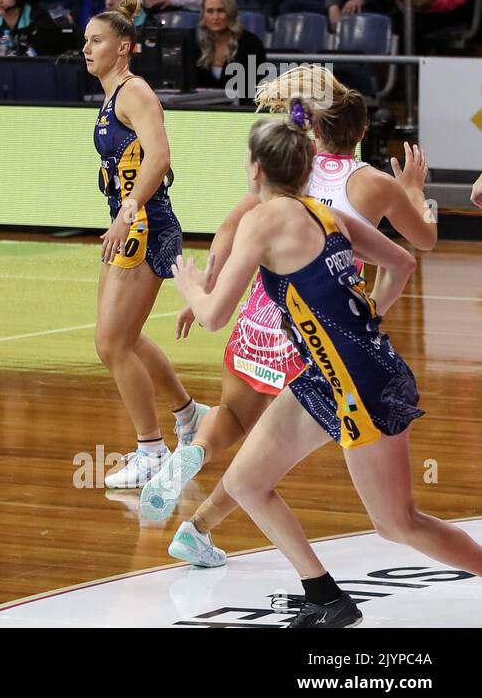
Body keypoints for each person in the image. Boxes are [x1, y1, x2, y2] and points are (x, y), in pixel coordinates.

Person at [169, 75, 481, 628]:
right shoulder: (324, 211)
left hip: (359, 382)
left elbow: (216, 314)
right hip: (333, 371)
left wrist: (189, 282)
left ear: (257, 169)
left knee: (397, 523)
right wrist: (367, 318)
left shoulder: (263, 221)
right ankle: (326, 599)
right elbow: (405, 261)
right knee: (245, 482)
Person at [83, 0, 209, 489]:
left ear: (124, 47)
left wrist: (128, 212)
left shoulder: (136, 93)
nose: (87, 49)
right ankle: (188, 414)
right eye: (86, 41)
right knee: (122, 339)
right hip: (129, 224)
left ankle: (151, 449)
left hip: (146, 227)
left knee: (111, 342)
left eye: (97, 41)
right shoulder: (113, 94)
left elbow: (160, 158)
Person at [194, 0, 267, 93]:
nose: (215, 17)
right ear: (203, 15)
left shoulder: (251, 44)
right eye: (210, 11)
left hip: (240, 107)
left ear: (231, 13)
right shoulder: (196, 44)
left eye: (221, 11)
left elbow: (256, 88)